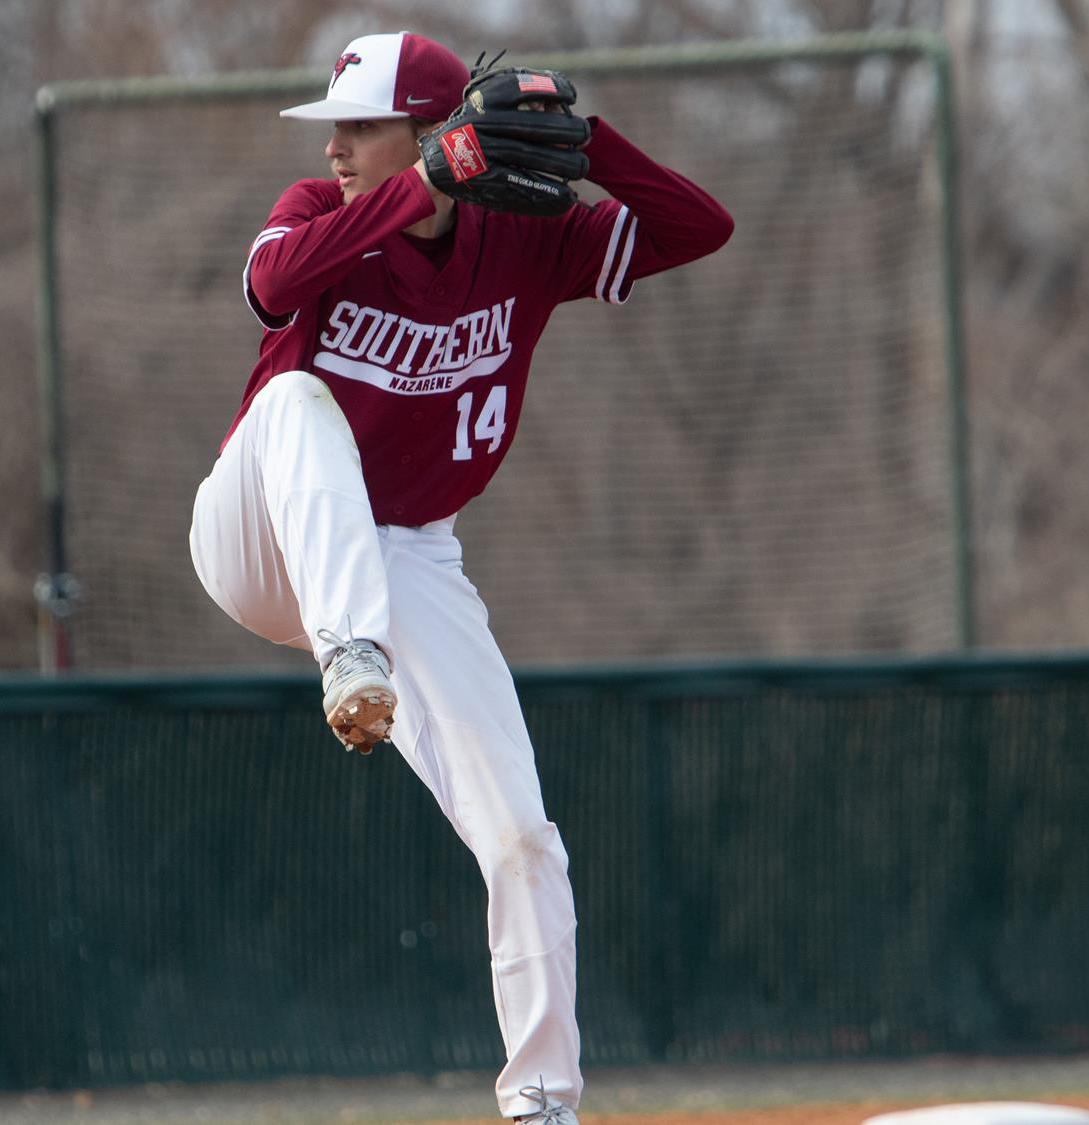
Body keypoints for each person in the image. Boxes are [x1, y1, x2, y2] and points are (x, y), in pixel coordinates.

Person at [187, 29, 733, 1125]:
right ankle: (350, 653)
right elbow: (268, 287)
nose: (336, 149)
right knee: (296, 402)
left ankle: (542, 1104)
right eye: (335, 129)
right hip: (258, 536)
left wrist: (589, 142)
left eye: (361, 128)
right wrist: (422, 181)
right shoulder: (315, 210)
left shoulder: (522, 239)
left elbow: (695, 228)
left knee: (522, 833)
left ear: (436, 130)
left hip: (409, 550)